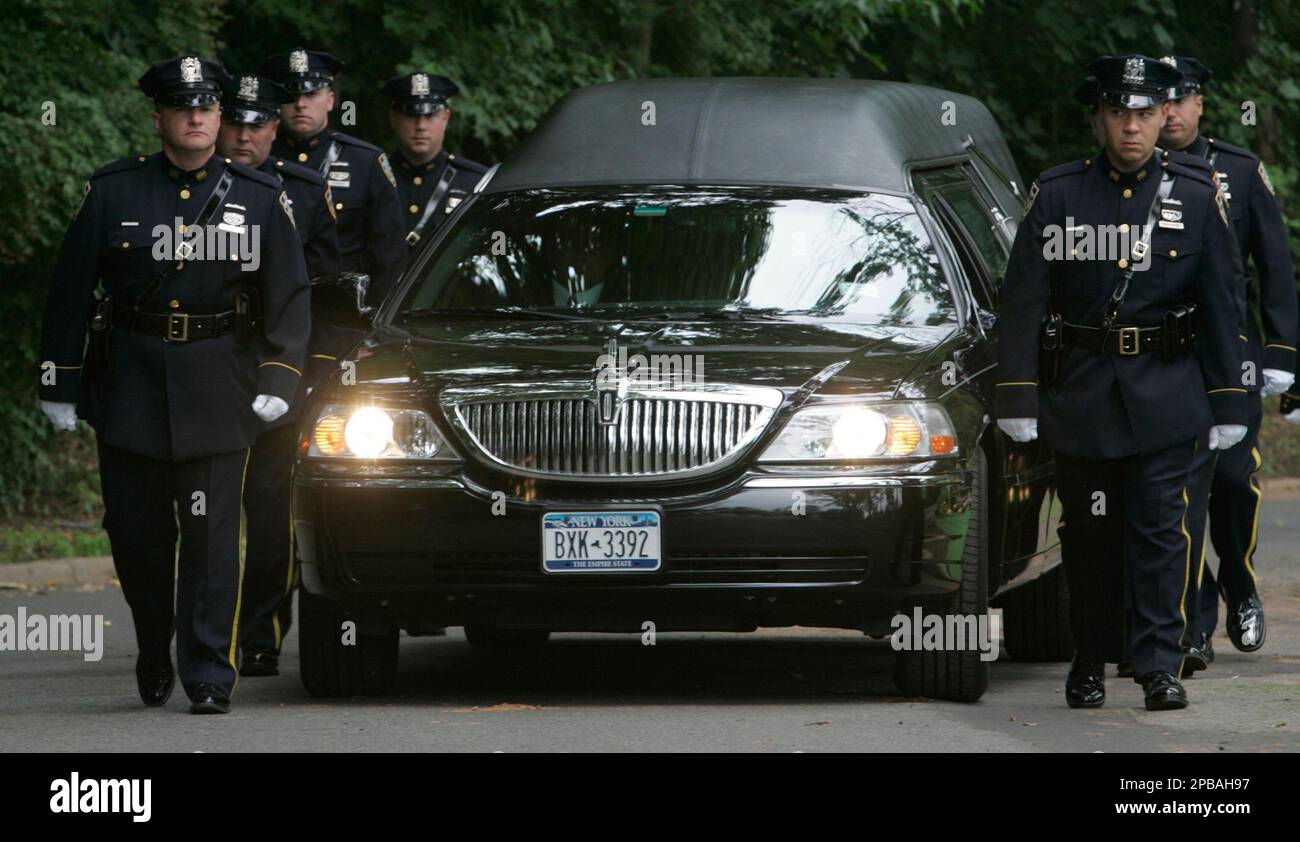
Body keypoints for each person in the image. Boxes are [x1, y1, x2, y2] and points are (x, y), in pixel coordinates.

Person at [38, 56, 310, 714]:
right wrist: (59, 379)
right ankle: (155, 642)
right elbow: (70, 292)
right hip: (129, 384)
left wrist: (280, 374)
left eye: (207, 106)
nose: (196, 115)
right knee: (138, 538)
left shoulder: (259, 197)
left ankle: (208, 670)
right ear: (158, 116)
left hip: (220, 383)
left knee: (215, 538)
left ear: (219, 117)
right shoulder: (113, 193)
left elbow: (289, 298)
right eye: (182, 105)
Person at [995, 55, 1247, 711]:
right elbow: (1023, 299)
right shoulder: (1060, 196)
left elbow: (1223, 301)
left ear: (1165, 115)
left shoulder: (1195, 196)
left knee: (1162, 534)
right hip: (1083, 396)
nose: (1131, 127)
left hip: (1168, 397)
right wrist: (1018, 393)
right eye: (1118, 113)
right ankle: (1089, 658)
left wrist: (1228, 397)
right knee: (1091, 538)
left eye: (1143, 113)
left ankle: (1159, 664)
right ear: (1098, 117)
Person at [1158, 55, 1297, 659]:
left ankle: (1239, 581)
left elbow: (1275, 265)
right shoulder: (1134, 172)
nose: (1169, 113)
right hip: (1166, 356)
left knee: (1234, 482)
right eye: (1158, 102)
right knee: (1178, 488)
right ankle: (1192, 622)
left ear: (1199, 104)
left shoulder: (1237, 171)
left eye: (1180, 100)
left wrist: (1284, 352)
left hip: (1232, 352)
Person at [217, 72, 347, 676]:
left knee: (269, 511)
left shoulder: (299, 191)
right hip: (208, 368)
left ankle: (261, 633)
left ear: (274, 130)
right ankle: (201, 626)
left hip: (281, 370)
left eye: (257, 125)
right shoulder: (181, 192)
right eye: (234, 123)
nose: (244, 137)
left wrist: (314, 375)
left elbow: (327, 297)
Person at [261, 48, 407, 303]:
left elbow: (389, 255)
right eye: (291, 95)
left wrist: (376, 325)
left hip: (342, 311)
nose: (300, 104)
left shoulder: (365, 161)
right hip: (270, 303)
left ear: (330, 99)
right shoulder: (259, 157)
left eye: (311, 94)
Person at [382, 72, 490, 248]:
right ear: (393, 118)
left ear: (445, 118)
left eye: (430, 116)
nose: (421, 127)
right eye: (411, 116)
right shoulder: (374, 176)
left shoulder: (475, 183)